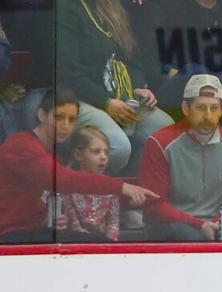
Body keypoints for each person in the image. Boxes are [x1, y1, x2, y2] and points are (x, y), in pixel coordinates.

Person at [0, 87, 157, 243]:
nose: (65, 125)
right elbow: (62, 180)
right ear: (41, 115)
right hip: (10, 235)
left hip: (31, 232)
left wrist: (131, 197)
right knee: (100, 245)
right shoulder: (20, 145)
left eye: (72, 119)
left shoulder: (54, 156)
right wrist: (122, 187)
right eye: (59, 117)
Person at [37, 0, 175, 174]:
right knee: (117, 146)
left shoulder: (113, 7)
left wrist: (137, 88)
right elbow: (67, 73)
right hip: (78, 97)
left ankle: (126, 186)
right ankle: (84, 188)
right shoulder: (66, 8)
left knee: (165, 131)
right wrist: (105, 102)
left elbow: (132, 58)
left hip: (119, 96)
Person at [139, 75, 222, 241]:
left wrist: (219, 223)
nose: (208, 116)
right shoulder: (160, 143)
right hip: (171, 224)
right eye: (201, 108)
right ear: (185, 108)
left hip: (216, 223)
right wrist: (199, 225)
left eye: (214, 108)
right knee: (191, 237)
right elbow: (154, 206)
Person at [146, 0, 222, 129]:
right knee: (195, 71)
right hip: (177, 88)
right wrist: (169, 71)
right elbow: (150, 56)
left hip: (220, 91)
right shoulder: (169, 8)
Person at [56, 125, 121, 240]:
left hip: (104, 244)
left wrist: (110, 244)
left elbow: (113, 223)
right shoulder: (67, 185)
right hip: (74, 241)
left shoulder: (110, 186)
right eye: (96, 152)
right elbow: (73, 223)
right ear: (78, 155)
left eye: (106, 152)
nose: (103, 157)